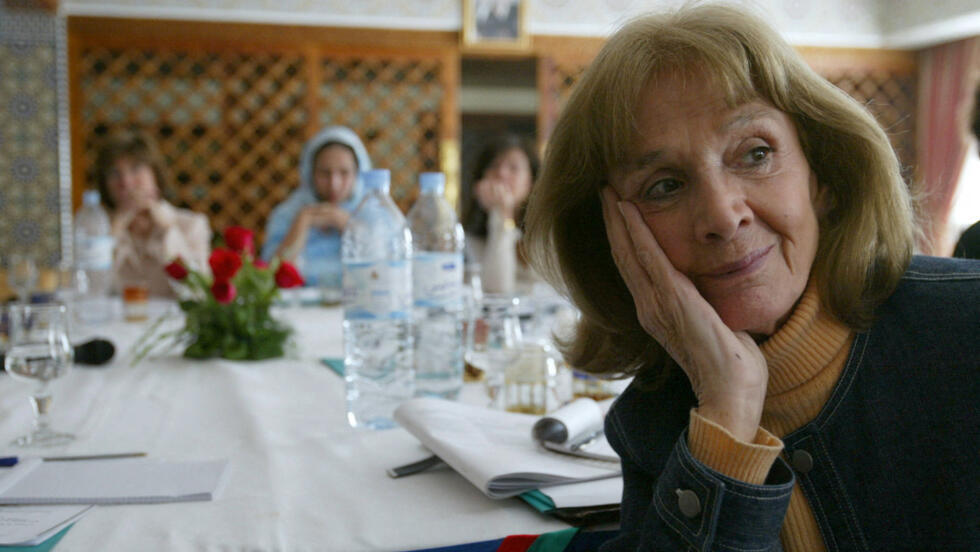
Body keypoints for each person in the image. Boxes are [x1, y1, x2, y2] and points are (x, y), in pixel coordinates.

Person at [523, 5, 979, 551]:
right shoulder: (649, 426)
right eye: (663, 186)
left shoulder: (966, 332)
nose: (721, 214)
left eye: (755, 154)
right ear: (616, 241)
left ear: (824, 177)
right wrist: (727, 419)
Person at [95, 130, 211, 297]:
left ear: (155, 173)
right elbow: (91, 294)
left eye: (135, 169)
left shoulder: (191, 224)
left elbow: (199, 293)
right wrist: (114, 231)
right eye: (114, 173)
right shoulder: (97, 229)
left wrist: (168, 230)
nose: (126, 182)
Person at [261, 125, 370, 288]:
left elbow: (386, 273)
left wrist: (350, 227)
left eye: (344, 172)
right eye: (325, 173)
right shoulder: (286, 214)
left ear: (358, 173)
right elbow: (268, 278)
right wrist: (301, 224)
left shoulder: (372, 211)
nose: (334, 184)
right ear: (310, 173)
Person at [462, 133, 539, 295]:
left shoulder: (546, 232)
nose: (501, 174)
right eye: (494, 166)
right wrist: (501, 216)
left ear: (531, 181)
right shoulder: (468, 238)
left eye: (513, 168)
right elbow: (497, 290)